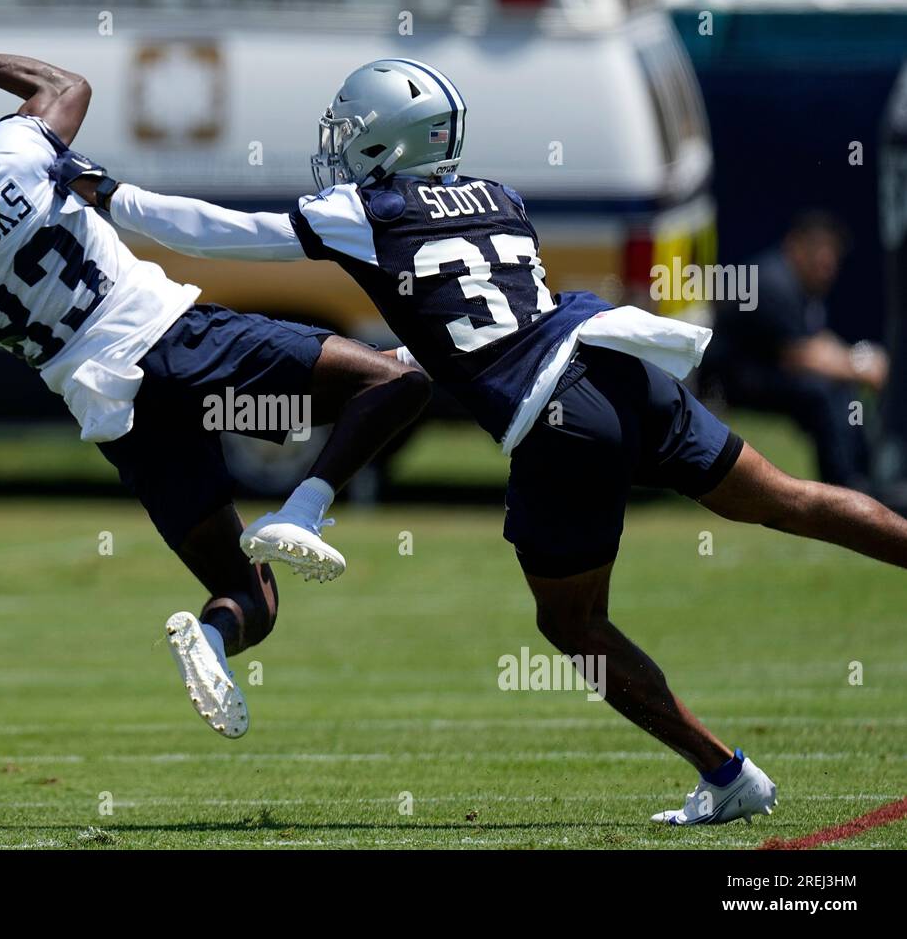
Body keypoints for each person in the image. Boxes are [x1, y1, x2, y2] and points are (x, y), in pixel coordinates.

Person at [50, 57, 907, 825]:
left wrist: (107, 192)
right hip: (618, 364)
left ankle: (726, 774)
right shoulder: (504, 195)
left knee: (574, 624)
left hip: (557, 415)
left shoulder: (368, 208)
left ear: (387, 139)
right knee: (790, 501)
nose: (340, 147)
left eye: (352, 132)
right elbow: (453, 319)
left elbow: (216, 232)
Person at [0, 41, 431, 740]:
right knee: (395, 379)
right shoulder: (18, 160)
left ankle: (212, 639)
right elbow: (62, 83)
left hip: (115, 412)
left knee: (248, 597)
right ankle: (303, 509)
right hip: (176, 343)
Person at [708, 211, 889, 488]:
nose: (826, 266)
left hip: (766, 372)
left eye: (831, 258)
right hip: (727, 384)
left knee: (843, 390)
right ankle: (843, 487)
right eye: (818, 254)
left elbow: (817, 341)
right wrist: (861, 367)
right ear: (795, 246)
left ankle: (866, 478)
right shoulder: (771, 282)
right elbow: (799, 355)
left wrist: (861, 359)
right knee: (821, 393)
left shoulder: (805, 286)